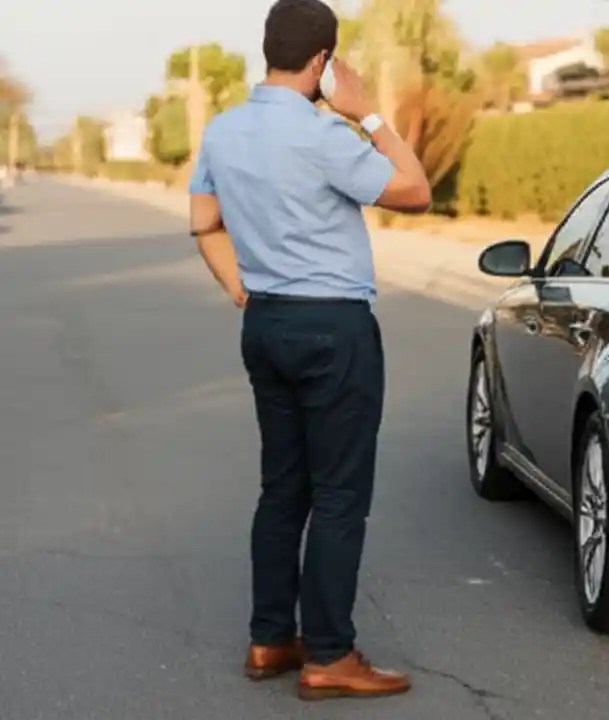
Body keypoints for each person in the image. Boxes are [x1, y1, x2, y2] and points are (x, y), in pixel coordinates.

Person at [188, 0, 432, 701]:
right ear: (325, 63)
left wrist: (244, 289)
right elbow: (415, 189)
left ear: (268, 51)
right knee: (339, 496)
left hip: (265, 325)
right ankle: (329, 654)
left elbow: (204, 223)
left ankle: (271, 638)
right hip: (333, 328)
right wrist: (369, 115)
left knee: (282, 488)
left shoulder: (223, 131)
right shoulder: (326, 135)